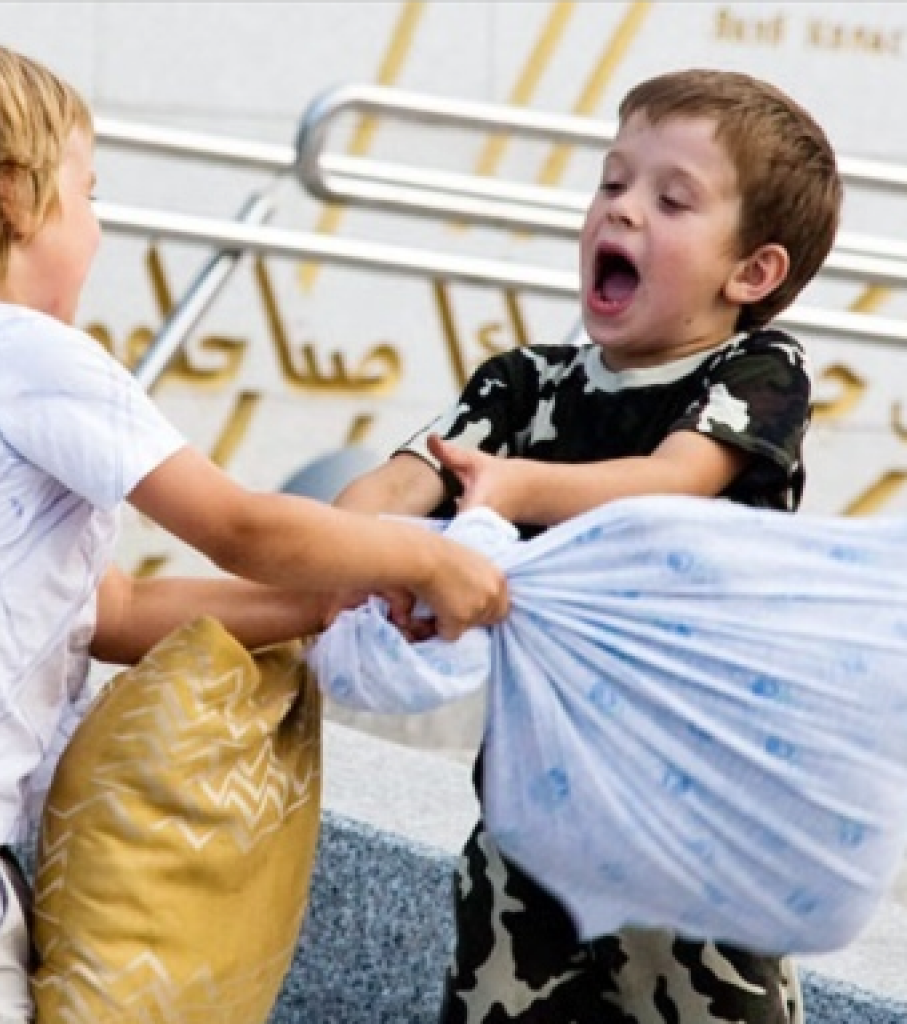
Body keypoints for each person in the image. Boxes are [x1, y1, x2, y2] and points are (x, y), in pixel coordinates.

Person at [0, 32, 508, 1024]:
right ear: (13, 194)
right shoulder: (28, 355)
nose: (96, 225)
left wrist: (337, 596)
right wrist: (423, 554)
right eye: (88, 193)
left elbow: (116, 608)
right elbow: (237, 523)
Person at [335, 68, 842, 1024]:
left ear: (753, 274)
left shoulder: (759, 374)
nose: (626, 210)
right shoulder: (522, 386)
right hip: (532, 831)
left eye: (672, 197)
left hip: (703, 840)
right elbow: (395, 489)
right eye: (613, 183)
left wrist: (513, 486)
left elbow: (670, 484)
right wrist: (343, 550)